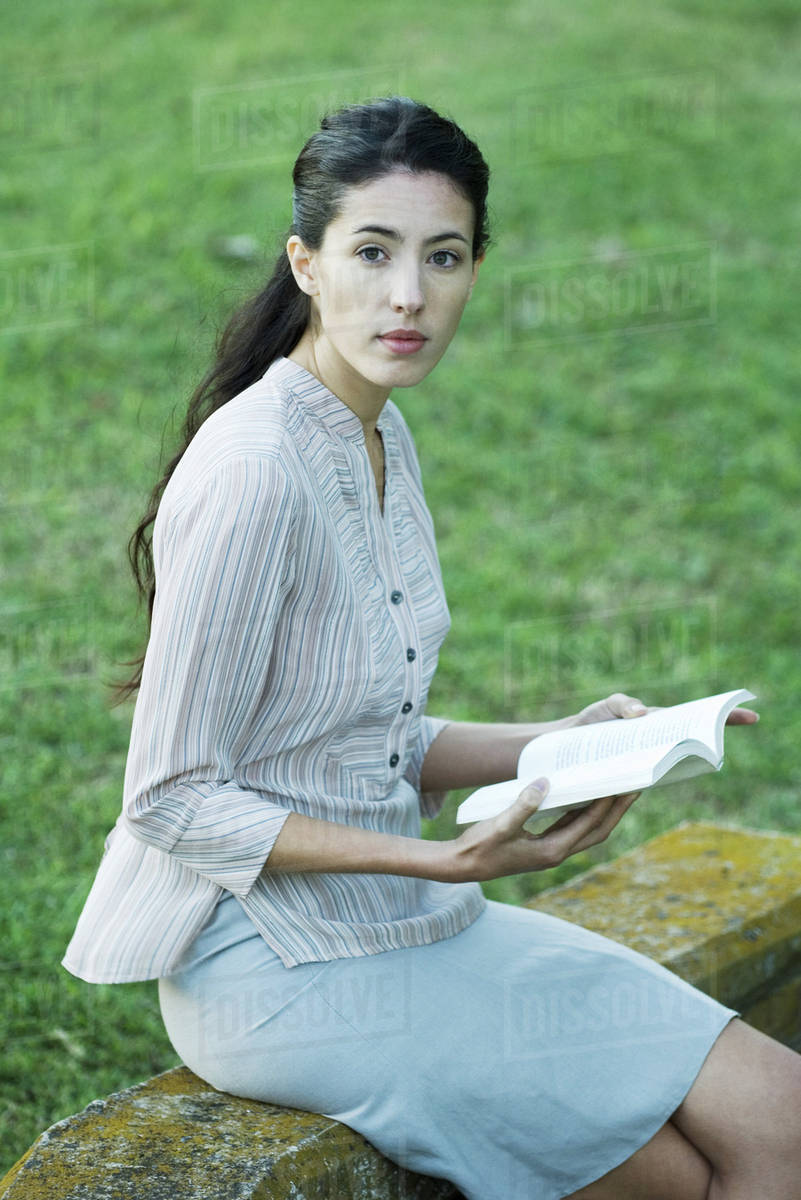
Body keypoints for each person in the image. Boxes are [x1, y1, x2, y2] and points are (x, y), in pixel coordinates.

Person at [62, 96, 801, 1200]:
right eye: (373, 251)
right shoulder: (257, 469)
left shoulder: (375, 427)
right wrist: (440, 858)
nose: (409, 295)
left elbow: (371, 740)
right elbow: (172, 799)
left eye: (443, 257)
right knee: (678, 1175)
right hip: (276, 967)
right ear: (305, 263)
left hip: (416, 918)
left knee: (780, 1115)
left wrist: (562, 743)